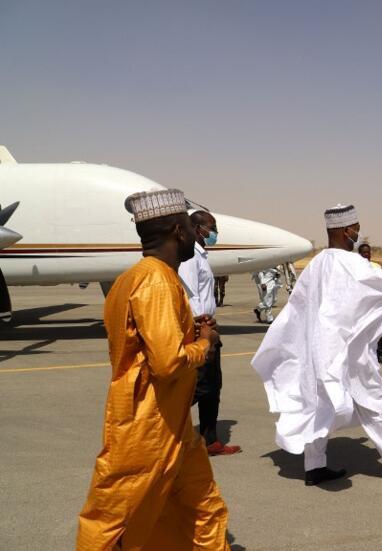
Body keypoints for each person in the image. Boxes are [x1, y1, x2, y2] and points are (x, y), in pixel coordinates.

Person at [77, 189, 229, 550]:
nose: (196, 235)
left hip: (175, 427)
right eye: (191, 230)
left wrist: (190, 329)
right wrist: (204, 343)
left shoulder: (134, 278)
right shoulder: (156, 280)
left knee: (203, 508)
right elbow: (166, 363)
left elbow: (145, 346)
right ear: (179, 231)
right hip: (146, 428)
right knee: (114, 523)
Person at [252, 204, 382, 486]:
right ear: (346, 230)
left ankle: (314, 466)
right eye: (357, 230)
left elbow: (298, 308)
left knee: (319, 404)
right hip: (347, 352)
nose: (358, 235)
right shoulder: (349, 264)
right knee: (372, 401)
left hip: (321, 351)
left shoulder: (316, 264)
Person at [178, 210, 242, 456]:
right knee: (201, 386)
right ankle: (165, 433)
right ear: (197, 227)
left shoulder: (201, 254)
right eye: (211, 227)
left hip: (209, 327)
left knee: (213, 386)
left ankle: (210, 439)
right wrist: (200, 328)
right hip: (199, 329)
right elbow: (189, 293)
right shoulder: (190, 256)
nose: (214, 232)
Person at [359, 242, 382, 364]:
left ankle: (379, 353)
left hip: (375, 304)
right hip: (361, 304)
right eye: (363, 252)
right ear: (359, 254)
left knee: (377, 330)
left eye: (368, 252)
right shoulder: (354, 267)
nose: (366, 254)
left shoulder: (376, 267)